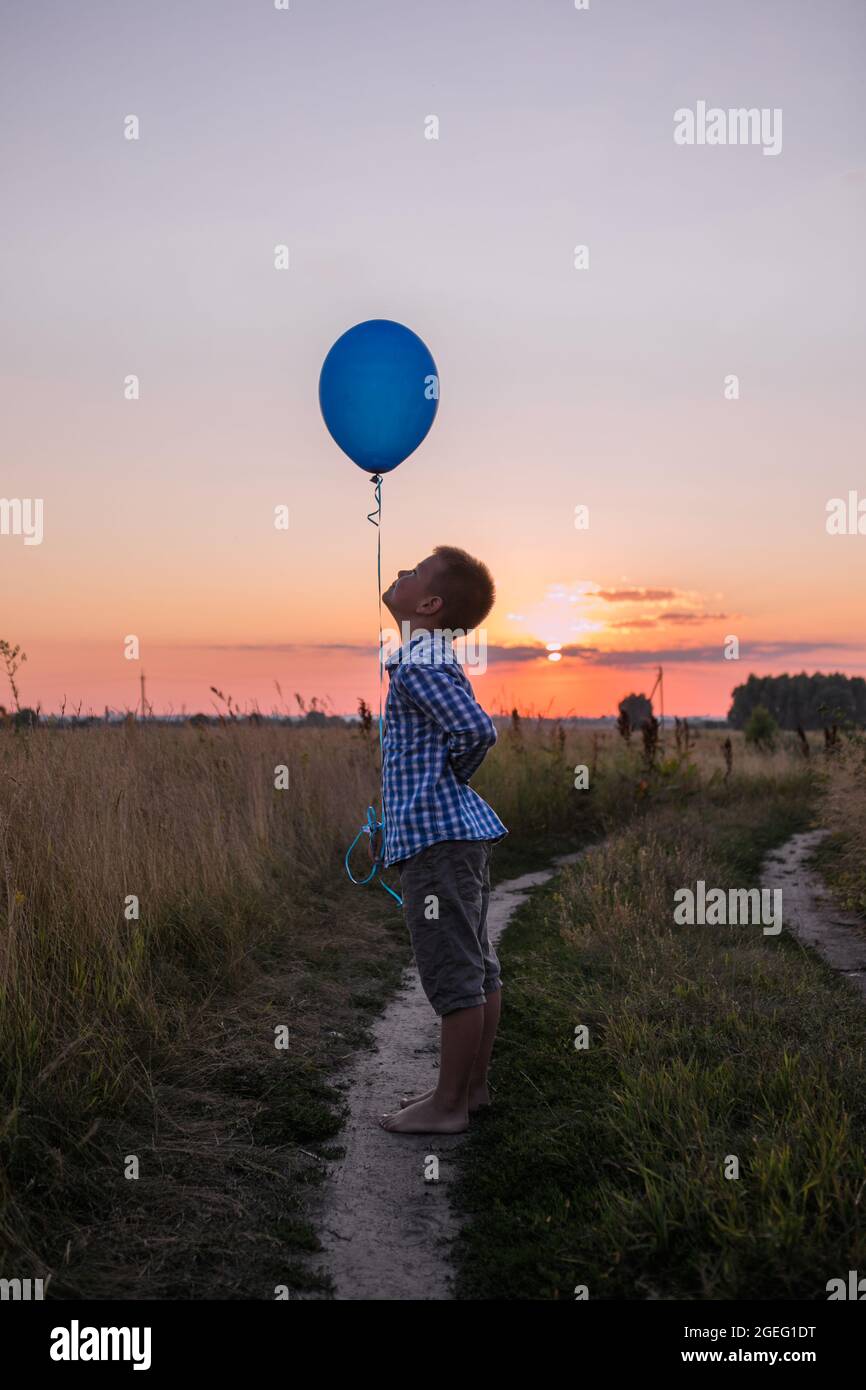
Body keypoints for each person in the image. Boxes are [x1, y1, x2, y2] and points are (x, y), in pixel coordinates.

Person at [373, 545, 507, 1134]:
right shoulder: (431, 655)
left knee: (454, 972)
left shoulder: (418, 661)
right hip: (454, 838)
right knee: (478, 967)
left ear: (428, 603)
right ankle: (471, 1090)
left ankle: (448, 1105)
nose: (400, 572)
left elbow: (476, 729)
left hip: (438, 844)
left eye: (414, 572)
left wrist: (446, 780)